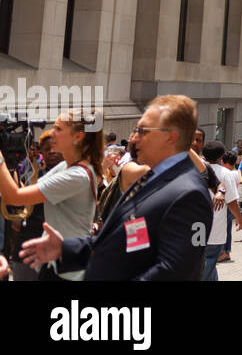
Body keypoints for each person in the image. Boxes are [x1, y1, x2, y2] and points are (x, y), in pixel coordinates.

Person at [20, 95, 211, 280]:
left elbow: (174, 271)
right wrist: (66, 249)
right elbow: (131, 242)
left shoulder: (189, 193)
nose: (134, 139)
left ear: (171, 137)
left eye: (143, 131)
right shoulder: (153, 179)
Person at [0, 110, 103, 281]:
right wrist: (11, 163)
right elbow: (24, 193)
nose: (52, 133)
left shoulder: (77, 176)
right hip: (54, 263)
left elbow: (15, 197)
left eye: (58, 129)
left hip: (70, 270)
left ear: (77, 136)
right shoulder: (66, 168)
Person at [200, 142, 242, 281]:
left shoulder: (197, 170)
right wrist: (240, 220)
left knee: (206, 264)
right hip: (216, 228)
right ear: (221, 156)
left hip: (196, 228)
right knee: (209, 262)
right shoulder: (226, 174)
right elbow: (232, 202)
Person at [219, 150, 241, 262]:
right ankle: (227, 251)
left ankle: (223, 252)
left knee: (223, 228)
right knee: (228, 229)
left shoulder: (227, 173)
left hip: (227, 203)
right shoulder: (236, 173)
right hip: (234, 201)